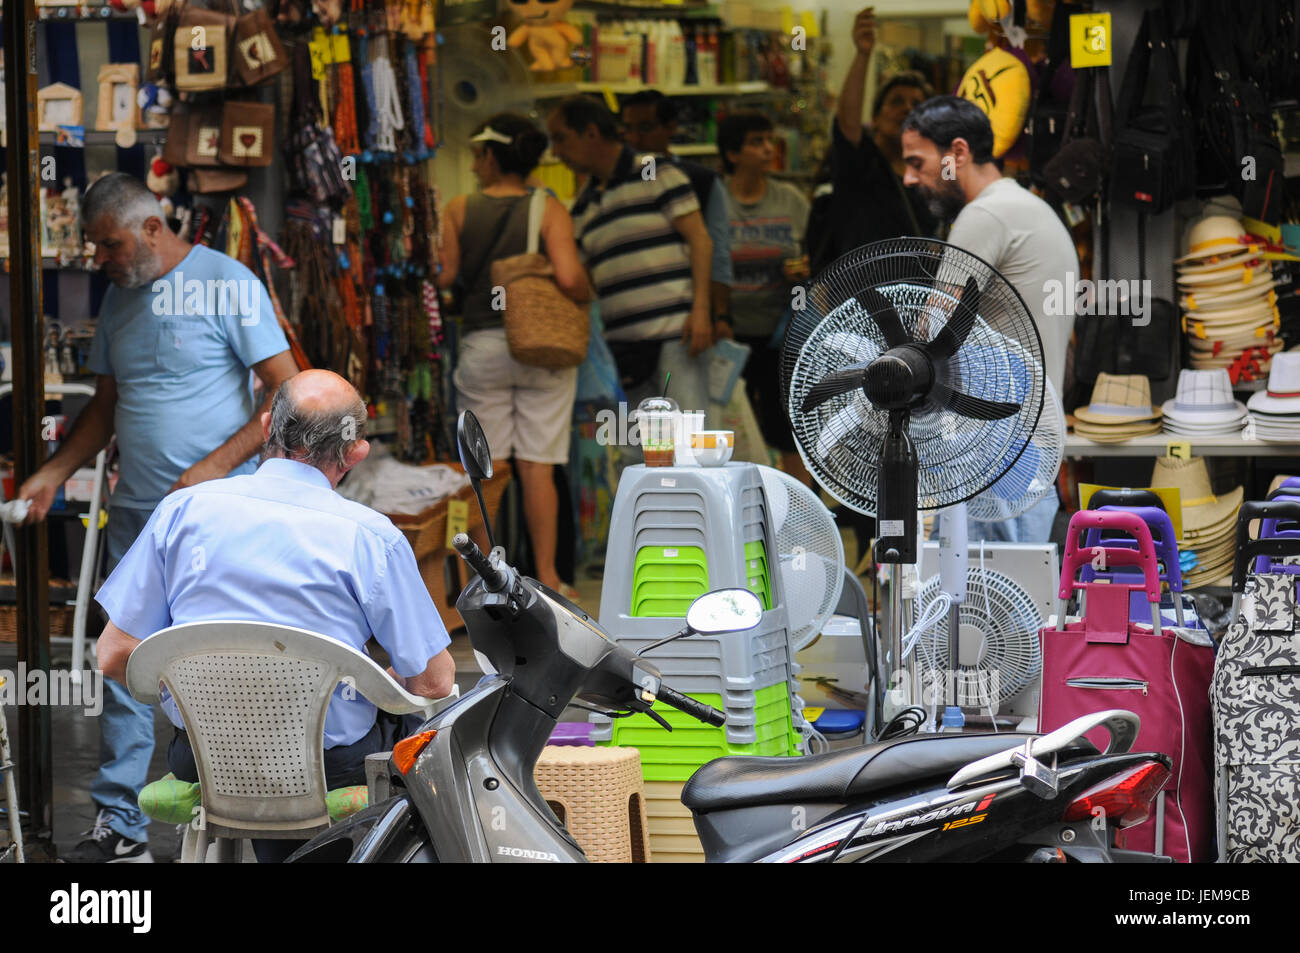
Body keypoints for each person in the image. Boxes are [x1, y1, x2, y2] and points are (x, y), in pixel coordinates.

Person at [17, 172, 298, 862]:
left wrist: (214, 464)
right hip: (140, 513)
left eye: (108, 244)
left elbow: (291, 392)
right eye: (92, 247)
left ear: (150, 228)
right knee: (124, 660)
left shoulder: (229, 283)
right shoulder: (118, 299)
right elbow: (106, 408)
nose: (100, 259)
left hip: (218, 514)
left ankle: (242, 818)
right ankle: (121, 825)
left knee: (222, 665)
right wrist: (55, 471)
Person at [96, 370, 457, 863]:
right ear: (355, 453)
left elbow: (114, 655)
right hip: (331, 768)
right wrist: (371, 682)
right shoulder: (370, 536)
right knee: (410, 725)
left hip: (203, 760)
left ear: (267, 426)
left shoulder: (182, 510)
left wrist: (195, 691)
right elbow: (434, 681)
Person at [901, 95, 1077, 542]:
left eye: (917, 162)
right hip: (1028, 449)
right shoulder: (1029, 208)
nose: (908, 178)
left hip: (991, 453)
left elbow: (930, 334)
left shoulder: (984, 216)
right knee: (1018, 600)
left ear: (957, 153)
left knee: (978, 602)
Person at [437, 114, 588, 600]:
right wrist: (585, 289)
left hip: (484, 343)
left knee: (489, 467)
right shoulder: (549, 208)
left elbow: (445, 276)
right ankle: (549, 576)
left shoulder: (459, 209)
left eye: (478, 154)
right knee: (538, 467)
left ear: (489, 156)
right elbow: (569, 278)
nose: (475, 164)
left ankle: (490, 577)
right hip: (540, 347)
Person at [546, 95, 715, 417]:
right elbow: (585, 281)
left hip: (677, 336)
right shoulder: (583, 205)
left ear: (592, 132)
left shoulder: (655, 171)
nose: (556, 152)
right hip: (623, 348)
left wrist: (702, 311)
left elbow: (701, 241)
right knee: (637, 450)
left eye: (560, 138)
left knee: (686, 441)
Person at [809, 7, 936, 278]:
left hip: (919, 308)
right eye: (896, 102)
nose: (907, 109)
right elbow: (847, 123)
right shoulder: (861, 165)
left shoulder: (933, 178)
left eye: (916, 104)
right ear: (875, 118)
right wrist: (863, 55)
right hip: (861, 307)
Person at [717, 111, 810, 477]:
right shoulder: (715, 201)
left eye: (769, 140)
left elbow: (814, 254)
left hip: (780, 334)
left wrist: (804, 267)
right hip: (728, 332)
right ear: (732, 153)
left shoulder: (790, 200)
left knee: (787, 428)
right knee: (731, 424)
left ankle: (799, 514)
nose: (768, 149)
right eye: (756, 142)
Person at [620, 90, 734, 342]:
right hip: (628, 319)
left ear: (670, 127)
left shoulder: (700, 181)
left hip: (686, 317)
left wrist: (719, 315)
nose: (635, 138)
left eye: (645, 127)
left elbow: (718, 252)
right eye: (628, 129)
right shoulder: (611, 184)